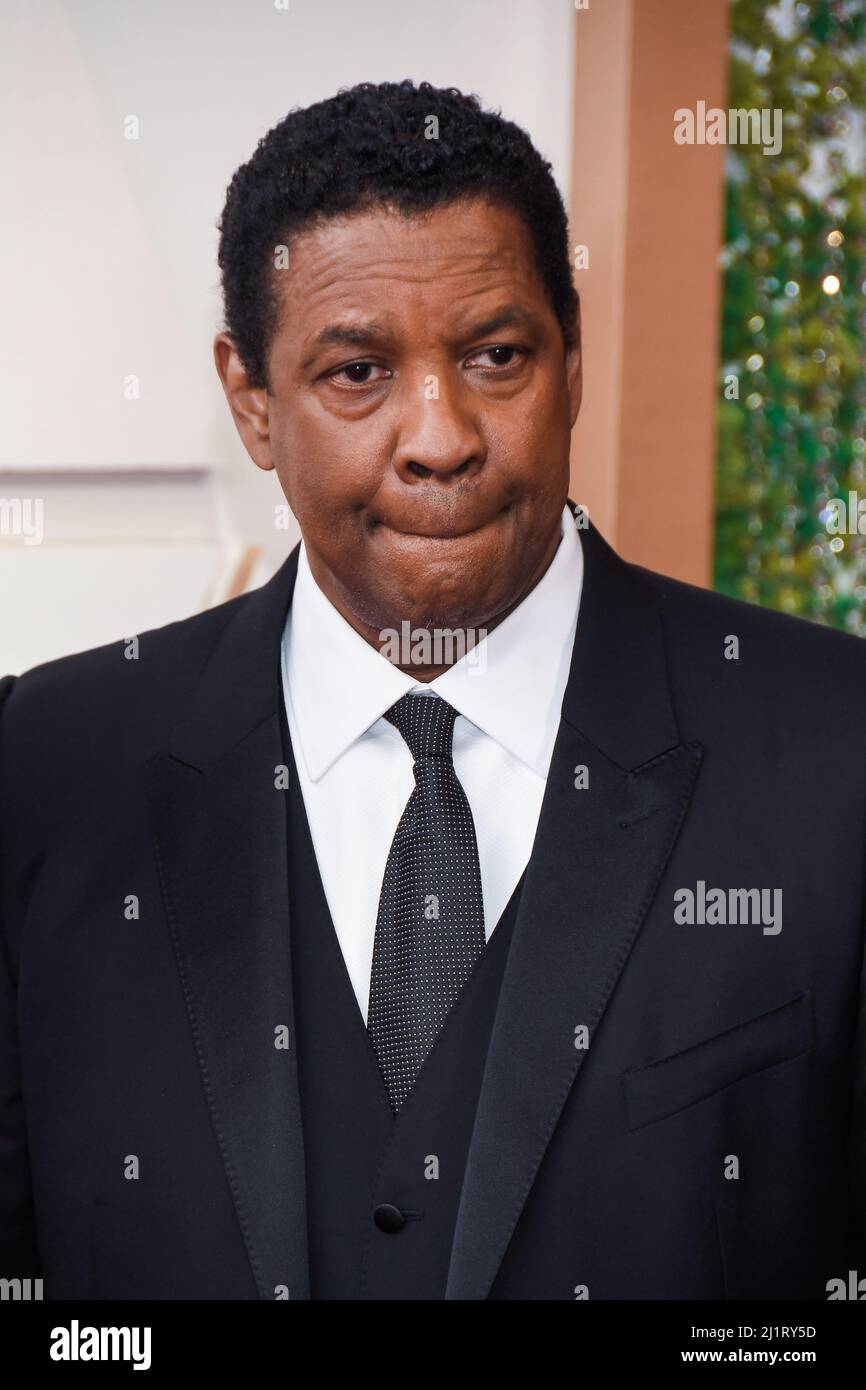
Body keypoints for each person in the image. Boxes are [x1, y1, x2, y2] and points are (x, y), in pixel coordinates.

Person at [1, 80, 864, 1301]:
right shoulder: (47, 764)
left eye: (494, 356)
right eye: (357, 371)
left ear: (572, 356)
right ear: (250, 398)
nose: (440, 435)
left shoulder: (836, 750)